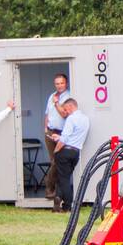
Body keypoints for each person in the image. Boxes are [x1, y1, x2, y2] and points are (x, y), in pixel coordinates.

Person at [52, 97, 90, 213]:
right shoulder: (85, 119)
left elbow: (64, 139)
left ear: (70, 106)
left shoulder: (71, 119)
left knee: (63, 179)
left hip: (65, 151)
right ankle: (58, 198)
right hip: (75, 152)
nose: (65, 112)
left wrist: (56, 150)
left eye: (65, 109)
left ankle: (67, 205)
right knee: (65, 176)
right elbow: (74, 136)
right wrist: (60, 138)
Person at [42, 72, 72, 201]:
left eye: (61, 83)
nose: (59, 86)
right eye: (57, 83)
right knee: (54, 161)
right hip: (50, 132)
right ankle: (53, 191)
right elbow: (47, 114)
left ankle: (50, 189)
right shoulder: (51, 96)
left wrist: (56, 103)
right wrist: (45, 128)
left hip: (61, 133)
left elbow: (64, 114)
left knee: (58, 161)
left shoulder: (68, 97)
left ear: (66, 83)